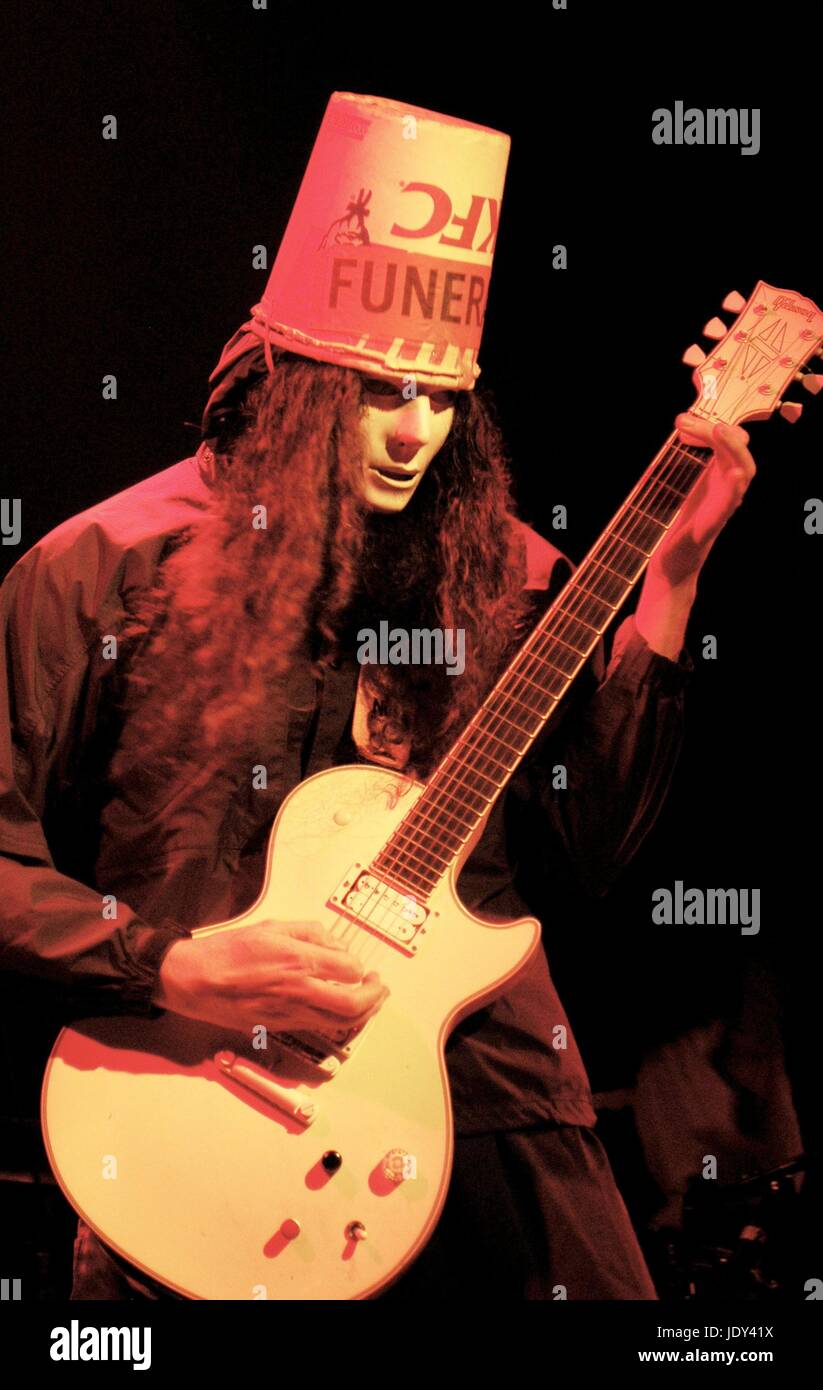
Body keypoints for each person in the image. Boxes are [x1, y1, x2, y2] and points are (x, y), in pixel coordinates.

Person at [0, 93, 756, 1300]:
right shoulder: (103, 567)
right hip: (200, 1092)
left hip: (487, 1081)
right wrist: (166, 964)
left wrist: (670, 581)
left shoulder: (509, 573)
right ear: (294, 380)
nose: (415, 431)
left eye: (443, 399)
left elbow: (595, 844)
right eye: (379, 390)